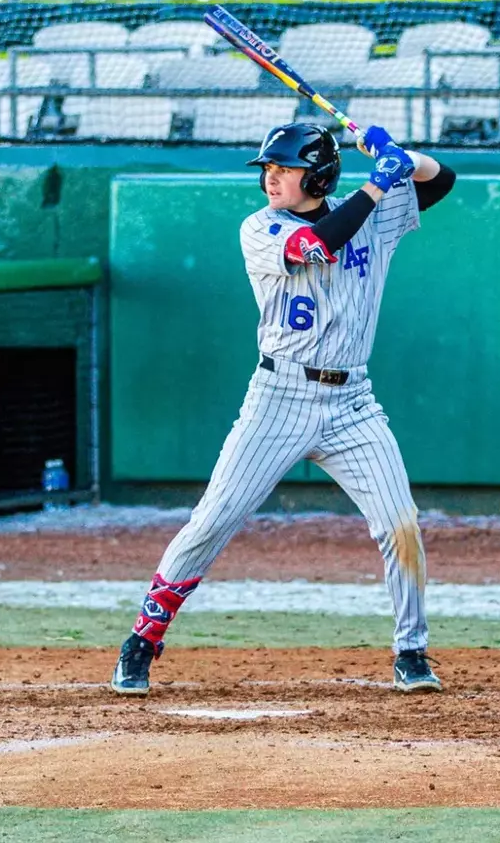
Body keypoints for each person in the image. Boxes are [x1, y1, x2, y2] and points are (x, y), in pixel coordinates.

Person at [110, 122, 458, 698]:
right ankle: (143, 639)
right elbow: (322, 243)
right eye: (268, 168)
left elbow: (442, 179)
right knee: (213, 519)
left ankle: (411, 650)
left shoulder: (369, 210)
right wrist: (376, 183)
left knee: (402, 524)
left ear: (318, 175)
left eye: (285, 169)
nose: (271, 177)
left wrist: (399, 154)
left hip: (353, 402)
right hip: (280, 397)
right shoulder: (261, 227)